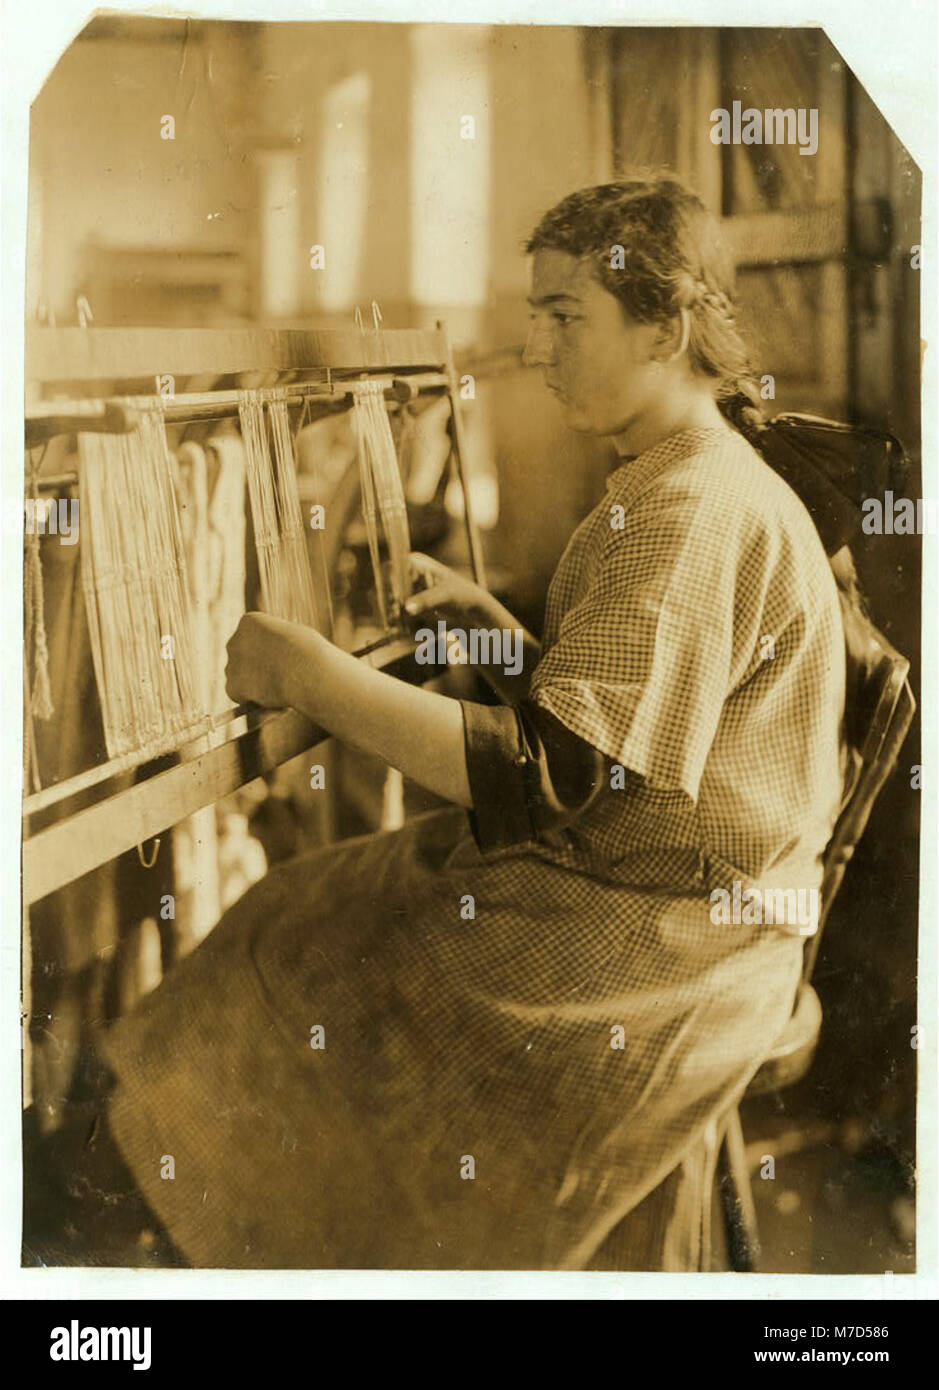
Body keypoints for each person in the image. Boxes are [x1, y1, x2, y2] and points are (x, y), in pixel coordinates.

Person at [36, 173, 847, 1271]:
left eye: (568, 318)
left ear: (664, 325)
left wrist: (313, 674)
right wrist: (502, 640)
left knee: (298, 934)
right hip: (683, 897)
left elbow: (546, 782)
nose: (542, 347)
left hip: (669, 949)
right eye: (535, 319)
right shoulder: (683, 477)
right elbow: (643, 738)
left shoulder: (690, 507)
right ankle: (208, 1210)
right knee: (323, 909)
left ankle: (210, 1230)